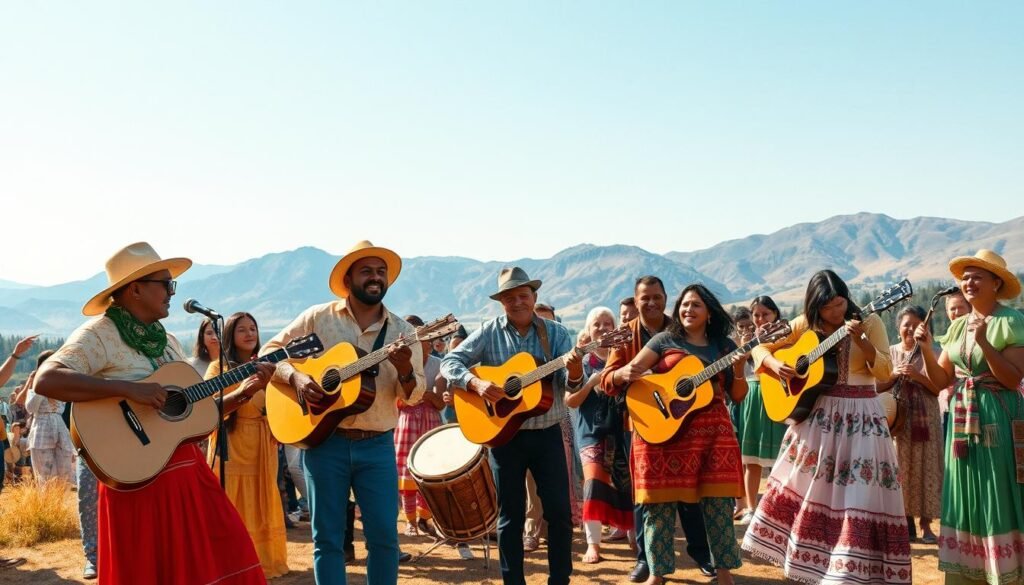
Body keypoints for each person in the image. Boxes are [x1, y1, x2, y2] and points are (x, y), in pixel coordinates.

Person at [34, 242, 265, 584]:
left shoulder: (167, 339)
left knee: (225, 555)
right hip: (137, 480)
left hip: (187, 475)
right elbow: (47, 379)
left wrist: (242, 394)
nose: (172, 293)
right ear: (135, 288)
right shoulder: (99, 335)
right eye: (166, 284)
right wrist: (128, 389)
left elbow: (191, 414)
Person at [261, 240, 426, 585]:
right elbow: (270, 352)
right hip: (326, 444)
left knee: (384, 538)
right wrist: (298, 376)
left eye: (381, 272)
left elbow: (412, 397)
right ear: (349, 278)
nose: (375, 278)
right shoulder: (318, 318)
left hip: (377, 444)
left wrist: (406, 370)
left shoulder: (404, 332)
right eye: (366, 271)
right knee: (327, 539)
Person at [741, 269, 910, 584]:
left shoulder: (869, 322)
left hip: (863, 419)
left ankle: (846, 572)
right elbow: (758, 346)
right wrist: (774, 364)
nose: (837, 312)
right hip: (819, 421)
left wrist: (861, 339)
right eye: (828, 307)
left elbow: (886, 369)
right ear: (814, 306)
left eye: (840, 303)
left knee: (858, 496)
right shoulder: (805, 324)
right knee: (813, 492)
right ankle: (811, 565)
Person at [441, 266, 584, 585]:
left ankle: (559, 579)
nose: (517, 302)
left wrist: (574, 369)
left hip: (547, 434)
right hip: (504, 436)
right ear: (501, 302)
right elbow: (451, 362)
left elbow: (569, 383)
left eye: (522, 296)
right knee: (510, 517)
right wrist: (474, 385)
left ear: (534, 297)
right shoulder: (489, 331)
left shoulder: (556, 333)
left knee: (560, 513)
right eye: (509, 298)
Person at [615, 284, 745, 585]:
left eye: (696, 305)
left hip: (714, 433)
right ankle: (657, 574)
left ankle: (724, 573)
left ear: (709, 312)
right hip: (666, 432)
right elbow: (632, 373)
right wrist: (660, 388)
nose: (688, 310)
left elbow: (737, 394)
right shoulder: (664, 340)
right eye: (684, 304)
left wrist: (738, 369)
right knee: (658, 507)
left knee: (718, 505)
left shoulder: (725, 346)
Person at [915, 250, 1024, 585]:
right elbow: (938, 381)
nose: (968, 282)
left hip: (998, 417)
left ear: (996, 283)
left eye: (977, 276)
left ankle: (1005, 573)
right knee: (964, 492)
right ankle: (970, 572)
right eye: (966, 277)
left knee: (997, 490)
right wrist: (925, 348)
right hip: (962, 423)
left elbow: (1011, 378)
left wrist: (984, 343)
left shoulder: (1011, 321)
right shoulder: (958, 324)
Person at [599, 276, 714, 583]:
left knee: (688, 488)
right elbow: (606, 381)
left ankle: (702, 554)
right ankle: (645, 560)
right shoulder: (623, 336)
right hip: (640, 424)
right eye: (644, 298)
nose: (650, 302)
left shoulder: (679, 330)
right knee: (643, 494)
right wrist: (623, 372)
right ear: (635, 302)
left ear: (666, 298)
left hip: (684, 421)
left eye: (656, 297)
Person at [206, 311, 289, 578]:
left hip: (263, 444)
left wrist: (278, 426)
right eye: (242, 329)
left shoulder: (268, 364)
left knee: (262, 496)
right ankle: (232, 563)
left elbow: (280, 402)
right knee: (233, 501)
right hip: (231, 442)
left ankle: (263, 562)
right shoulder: (219, 368)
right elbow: (208, 408)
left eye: (253, 328)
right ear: (230, 334)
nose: (250, 333)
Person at [566, 307, 633, 564]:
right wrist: (592, 383)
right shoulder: (581, 361)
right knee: (593, 480)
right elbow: (570, 400)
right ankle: (593, 545)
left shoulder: (625, 357)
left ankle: (633, 537)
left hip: (622, 428)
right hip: (590, 429)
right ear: (588, 330)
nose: (603, 328)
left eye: (608, 323)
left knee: (626, 482)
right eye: (597, 324)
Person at [877, 305, 942, 544]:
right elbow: (875, 387)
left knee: (927, 468)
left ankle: (926, 526)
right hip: (897, 420)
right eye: (907, 325)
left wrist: (917, 376)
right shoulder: (889, 353)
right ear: (898, 329)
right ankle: (903, 524)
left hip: (927, 418)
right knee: (900, 469)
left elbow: (937, 389)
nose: (911, 329)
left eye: (917, 325)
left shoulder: (933, 352)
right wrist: (894, 375)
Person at [734, 296, 788, 525]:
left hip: (777, 394)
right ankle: (751, 509)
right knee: (751, 459)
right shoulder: (746, 339)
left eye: (765, 314)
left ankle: (779, 508)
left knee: (781, 457)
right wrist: (744, 347)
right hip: (753, 395)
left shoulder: (786, 335)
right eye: (756, 315)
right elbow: (741, 367)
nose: (760, 319)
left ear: (775, 314)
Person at [395, 315, 445, 537]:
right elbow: (397, 400)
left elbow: (440, 402)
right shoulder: (400, 364)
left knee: (430, 473)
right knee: (406, 475)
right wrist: (425, 395)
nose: (418, 344)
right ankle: (411, 522)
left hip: (430, 424)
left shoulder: (438, 364)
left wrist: (416, 395)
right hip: (405, 423)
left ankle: (425, 519)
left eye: (422, 339)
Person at [25, 350, 75, 484]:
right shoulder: (36, 384)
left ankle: (59, 504)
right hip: (41, 427)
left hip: (59, 427)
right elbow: (30, 408)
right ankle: (48, 504)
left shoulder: (62, 383)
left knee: (64, 475)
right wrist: (42, 387)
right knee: (45, 476)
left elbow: (64, 406)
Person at [937, 290, 971, 438]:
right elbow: (941, 378)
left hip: (977, 401)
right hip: (954, 405)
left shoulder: (980, 331)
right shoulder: (950, 338)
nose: (956, 312)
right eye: (952, 308)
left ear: (970, 308)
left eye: (960, 307)